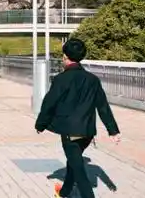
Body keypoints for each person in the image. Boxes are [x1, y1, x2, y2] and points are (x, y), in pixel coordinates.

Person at [35, 38, 121, 198]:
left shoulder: (61, 79)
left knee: (79, 171)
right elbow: (103, 106)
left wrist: (40, 124)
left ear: (65, 57)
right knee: (73, 161)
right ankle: (64, 192)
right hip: (87, 132)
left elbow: (49, 103)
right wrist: (113, 131)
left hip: (70, 132)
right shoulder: (93, 80)